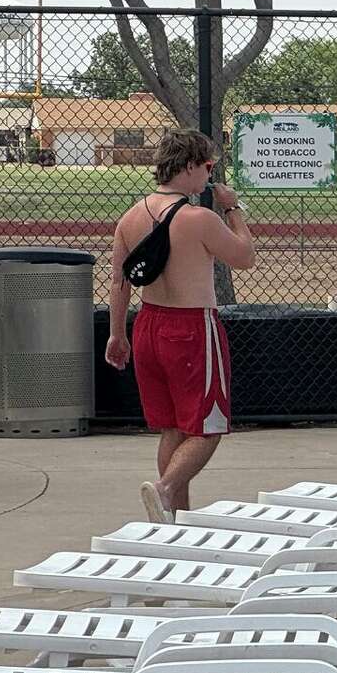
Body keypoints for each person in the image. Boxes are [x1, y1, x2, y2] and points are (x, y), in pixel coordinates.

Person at [103, 129, 256, 519]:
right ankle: (166, 489)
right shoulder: (197, 218)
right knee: (209, 426)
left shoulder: (131, 217)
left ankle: (175, 517)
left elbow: (120, 282)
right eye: (207, 167)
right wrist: (233, 208)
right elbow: (244, 256)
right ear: (189, 166)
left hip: (148, 323)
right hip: (191, 327)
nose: (209, 176)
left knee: (173, 427)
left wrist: (117, 334)